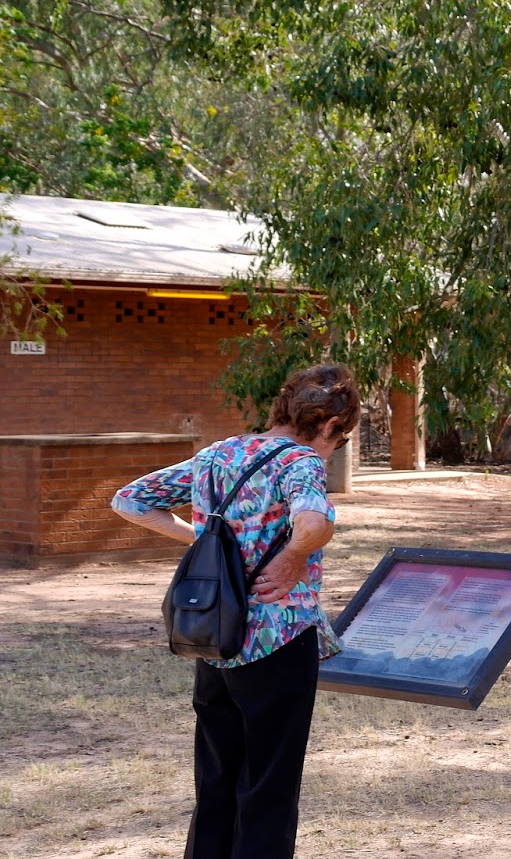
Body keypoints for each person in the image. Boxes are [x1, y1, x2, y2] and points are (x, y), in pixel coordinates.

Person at [112, 364, 360, 859]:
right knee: (269, 785)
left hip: (215, 637)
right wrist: (292, 558)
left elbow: (130, 501)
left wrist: (202, 540)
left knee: (217, 778)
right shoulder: (301, 461)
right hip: (277, 640)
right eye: (342, 437)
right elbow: (312, 522)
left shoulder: (218, 455)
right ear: (332, 425)